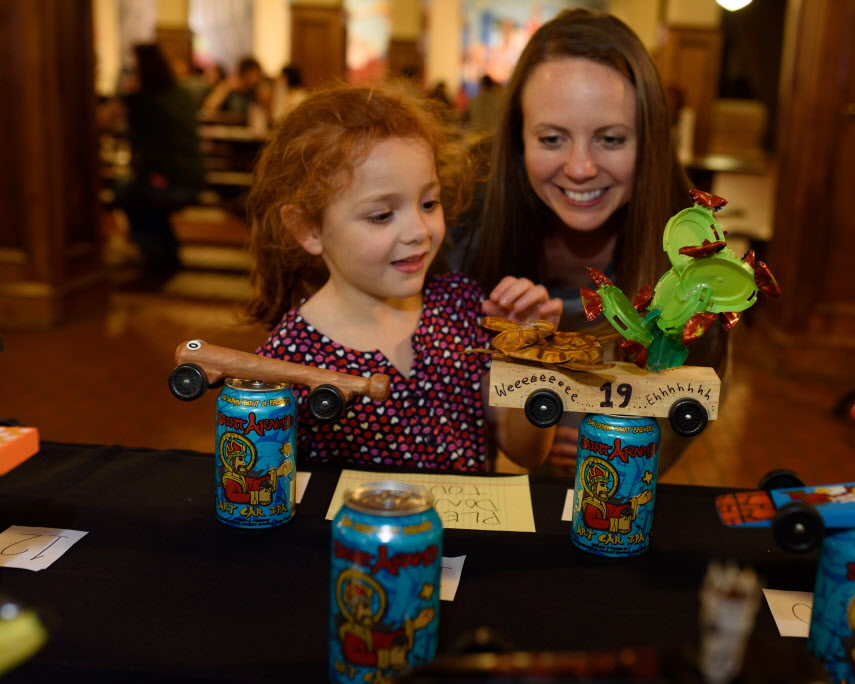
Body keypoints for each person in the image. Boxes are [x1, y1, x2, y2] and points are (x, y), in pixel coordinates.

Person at [457, 9, 728, 474]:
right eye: (552, 139)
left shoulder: (695, 262)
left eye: (610, 139)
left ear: (649, 142)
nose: (580, 168)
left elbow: (681, 416)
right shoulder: (462, 226)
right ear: (519, 140)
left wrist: (615, 451)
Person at [245, 83, 560, 470]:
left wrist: (530, 359)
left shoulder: (460, 305)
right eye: (381, 215)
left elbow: (526, 452)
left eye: (428, 203)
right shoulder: (288, 360)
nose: (418, 230)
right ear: (307, 228)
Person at [97, 43, 205, 287]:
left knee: (125, 192)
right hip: (195, 177)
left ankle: (155, 255)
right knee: (139, 196)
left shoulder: (141, 99)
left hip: (168, 181)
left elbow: (100, 120)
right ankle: (166, 252)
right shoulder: (182, 94)